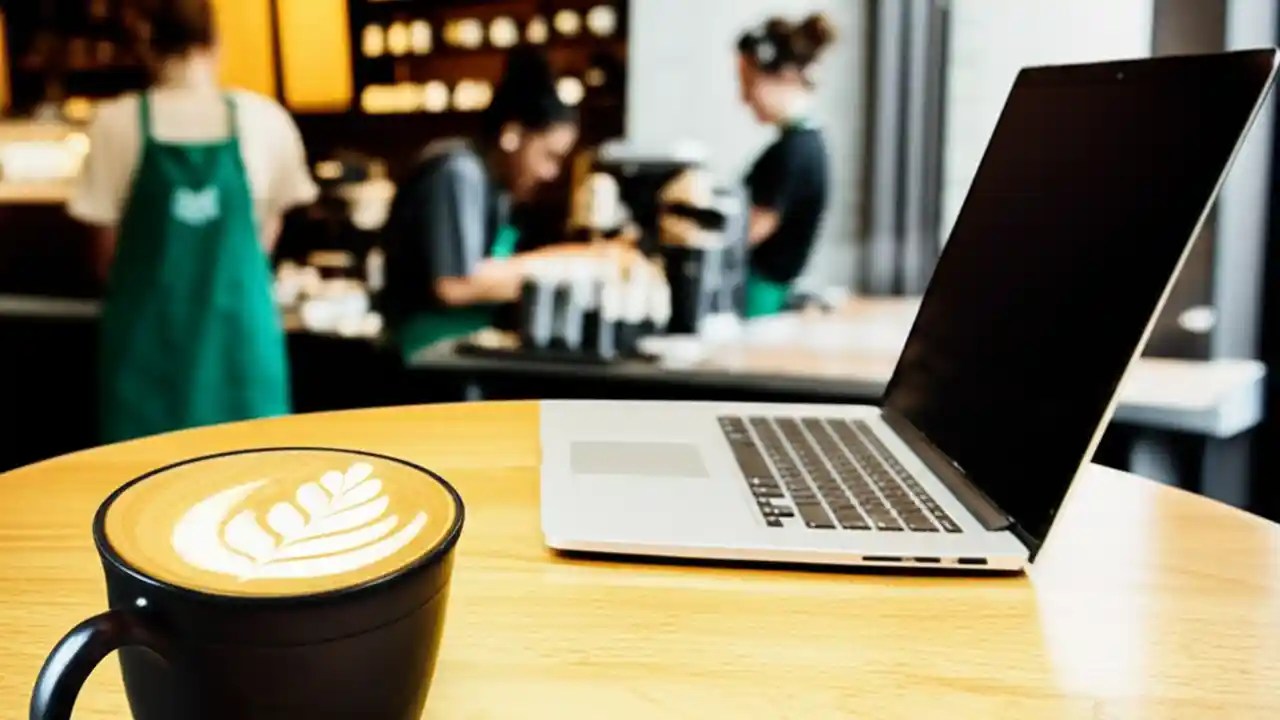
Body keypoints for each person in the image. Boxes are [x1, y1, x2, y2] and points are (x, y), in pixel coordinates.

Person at [67, 0, 318, 442]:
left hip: (147, 352)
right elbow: (265, 237)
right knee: (252, 479)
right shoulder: (268, 119)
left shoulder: (112, 124)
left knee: (140, 493)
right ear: (216, 42)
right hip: (240, 347)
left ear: (144, 41)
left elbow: (105, 257)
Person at [382, 48, 579, 361]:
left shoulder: (500, 188)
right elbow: (454, 284)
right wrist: (567, 267)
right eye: (548, 156)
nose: (550, 173)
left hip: (463, 347)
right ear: (512, 135)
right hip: (426, 353)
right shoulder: (459, 172)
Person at [736, 13, 836, 317]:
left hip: (760, 295)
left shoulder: (793, 152)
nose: (744, 98)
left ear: (785, 77)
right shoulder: (807, 144)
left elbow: (748, 232)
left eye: (749, 83)